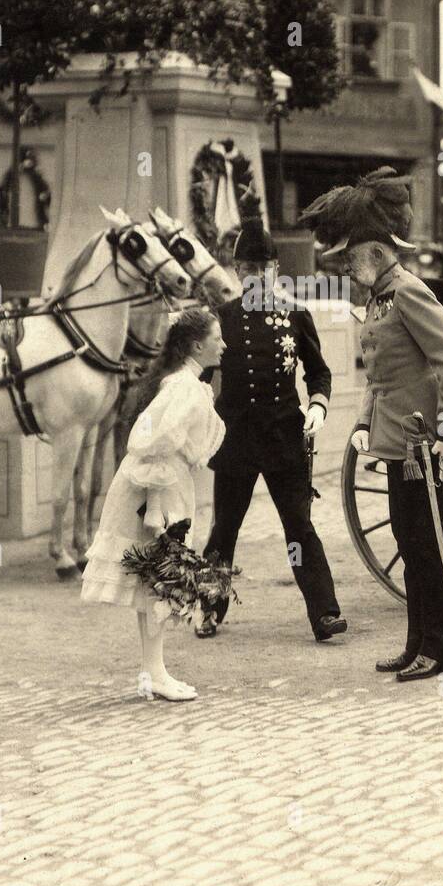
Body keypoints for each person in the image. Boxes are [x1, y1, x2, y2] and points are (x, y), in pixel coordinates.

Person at [301, 167, 443, 685]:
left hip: (422, 446)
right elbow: (380, 376)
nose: (348, 269)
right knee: (409, 541)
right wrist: (361, 423)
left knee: (425, 546)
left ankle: (439, 650)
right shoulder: (380, 299)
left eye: (352, 259)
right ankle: (416, 643)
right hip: (397, 445)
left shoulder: (408, 293)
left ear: (376, 253)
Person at [203, 190, 345, 644]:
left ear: (275, 271)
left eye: (263, 270)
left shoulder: (296, 313)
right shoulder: (220, 318)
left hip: (284, 437)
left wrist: (318, 407)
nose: (255, 277)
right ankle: (208, 608)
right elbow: (200, 378)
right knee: (224, 529)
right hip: (235, 441)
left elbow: (318, 371)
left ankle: (324, 614)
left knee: (299, 529)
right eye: (247, 271)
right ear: (237, 273)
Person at [81, 307, 226, 702]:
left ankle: (154, 670)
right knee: (161, 579)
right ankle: (155, 673)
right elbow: (152, 443)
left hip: (160, 483)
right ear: (197, 345)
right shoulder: (183, 387)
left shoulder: (184, 383)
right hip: (155, 488)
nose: (223, 344)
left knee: (156, 583)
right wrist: (160, 510)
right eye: (217, 338)